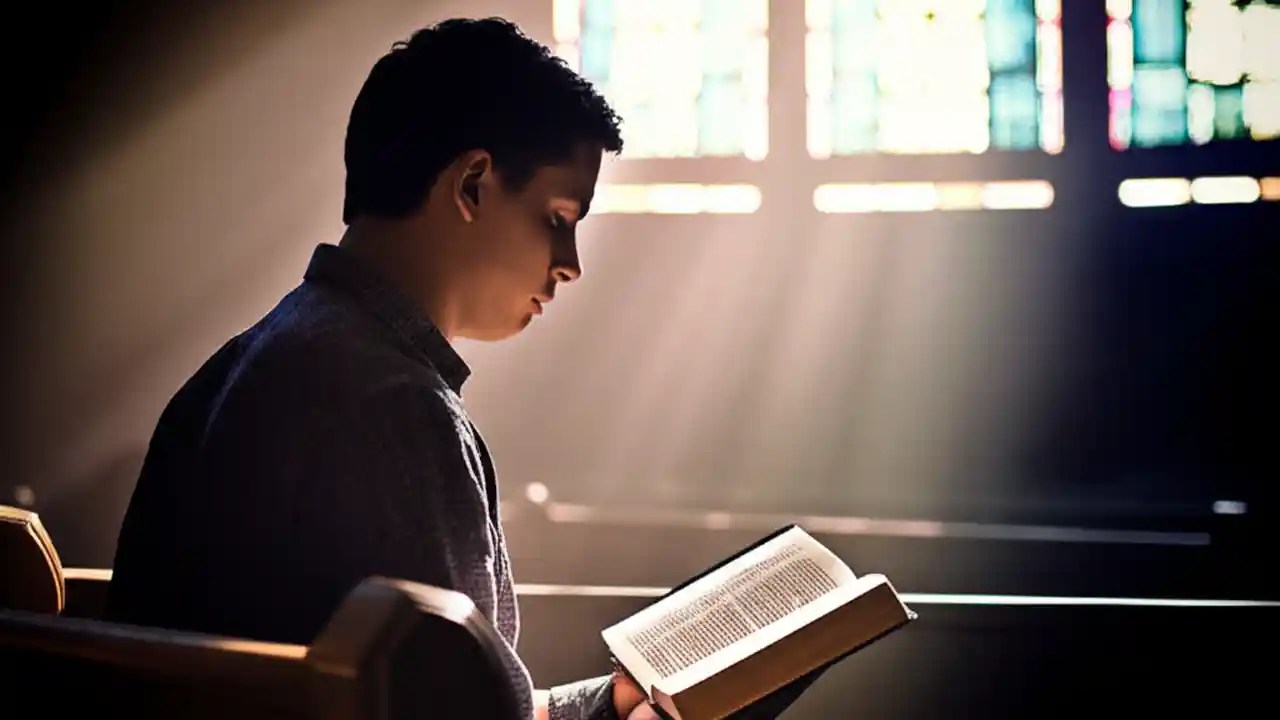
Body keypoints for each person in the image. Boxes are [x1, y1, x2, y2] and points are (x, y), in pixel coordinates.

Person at [105, 17, 649, 720]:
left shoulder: (259, 357)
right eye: (557, 216)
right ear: (474, 185)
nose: (570, 264)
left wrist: (606, 705)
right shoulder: (396, 407)